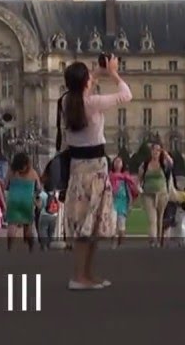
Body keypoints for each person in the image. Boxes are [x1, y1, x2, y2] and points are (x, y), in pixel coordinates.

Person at [61, 57, 132, 290]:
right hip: (96, 168)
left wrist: (96, 73)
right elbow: (126, 94)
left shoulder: (66, 102)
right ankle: (80, 276)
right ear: (85, 83)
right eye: (89, 78)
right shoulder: (93, 103)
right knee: (89, 227)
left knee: (87, 226)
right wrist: (113, 73)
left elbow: (78, 85)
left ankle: (86, 275)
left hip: (79, 168)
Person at [5, 152, 41, 252]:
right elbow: (39, 187)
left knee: (12, 225)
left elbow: (5, 185)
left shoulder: (11, 171)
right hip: (27, 201)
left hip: (13, 200)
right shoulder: (32, 172)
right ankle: (31, 248)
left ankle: (10, 247)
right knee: (28, 225)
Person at [139, 143, 173, 247]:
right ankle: (153, 240)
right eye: (154, 150)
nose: (156, 152)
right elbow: (140, 178)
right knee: (152, 218)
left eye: (158, 150)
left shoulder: (163, 163)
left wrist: (165, 153)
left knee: (160, 218)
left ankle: (159, 239)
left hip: (162, 194)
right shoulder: (145, 164)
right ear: (151, 151)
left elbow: (171, 163)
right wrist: (139, 187)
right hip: (148, 194)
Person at [108, 157, 139, 248]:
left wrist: (130, 203)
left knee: (121, 225)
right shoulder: (110, 176)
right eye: (116, 161)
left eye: (119, 162)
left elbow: (131, 189)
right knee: (113, 224)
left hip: (123, 203)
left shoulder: (126, 177)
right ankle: (113, 244)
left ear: (122, 164)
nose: (117, 163)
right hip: (113, 202)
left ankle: (121, 244)